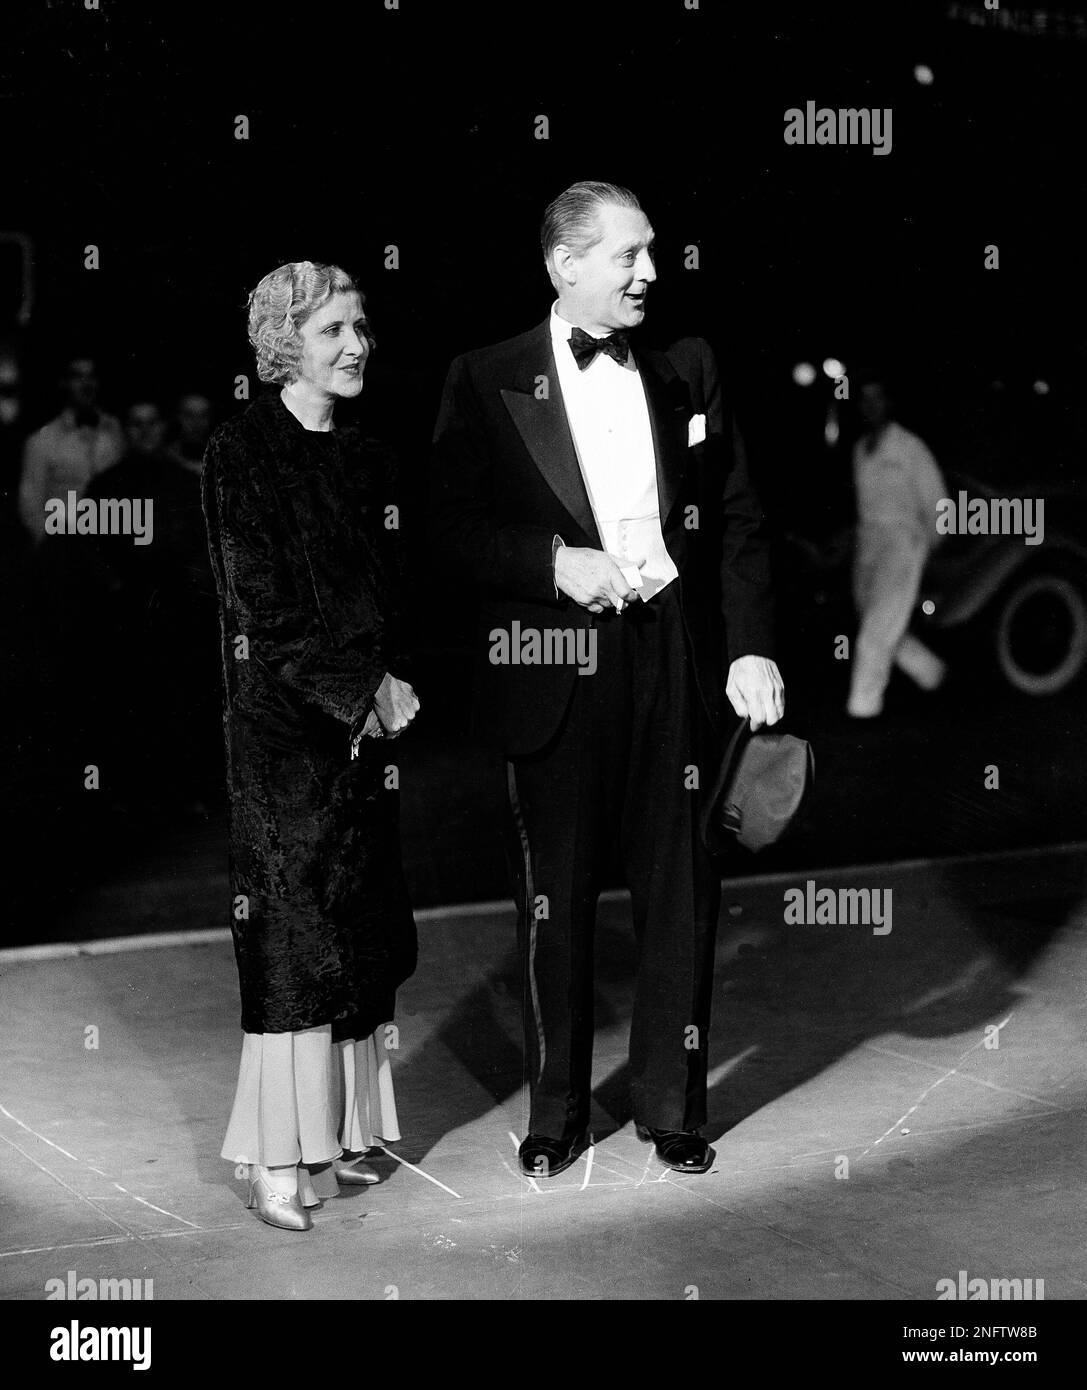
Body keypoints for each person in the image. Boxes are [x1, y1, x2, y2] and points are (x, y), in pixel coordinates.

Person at [430, 181, 784, 1178]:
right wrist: (551, 564)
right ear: (564, 264)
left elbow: (743, 515)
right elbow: (448, 535)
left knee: (682, 887)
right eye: (628, 254)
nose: (650, 273)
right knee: (557, 899)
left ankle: (672, 1106)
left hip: (671, 646)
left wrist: (751, 643)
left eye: (652, 251)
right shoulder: (484, 375)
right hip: (554, 656)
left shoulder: (688, 365)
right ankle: (556, 1113)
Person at [202, 261, 420, 1231]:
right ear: (286, 341)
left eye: (360, 326)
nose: (356, 345)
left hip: (359, 744)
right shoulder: (240, 452)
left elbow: (386, 595)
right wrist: (360, 687)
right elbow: (266, 613)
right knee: (292, 945)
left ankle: (334, 1140)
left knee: (359, 938)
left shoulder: (367, 454)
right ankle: (274, 1161)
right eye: (334, 329)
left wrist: (388, 683)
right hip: (283, 748)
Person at [847, 373, 947, 718]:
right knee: (879, 624)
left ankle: (863, 710)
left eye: (878, 397)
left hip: (903, 546)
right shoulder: (860, 450)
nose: (871, 405)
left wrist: (928, 550)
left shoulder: (909, 447)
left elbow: (938, 502)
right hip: (869, 547)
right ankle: (932, 673)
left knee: (876, 631)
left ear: (890, 403)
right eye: (865, 398)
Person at [17, 355, 124, 542]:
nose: (86, 384)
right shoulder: (41, 441)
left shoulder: (115, 432)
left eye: (91, 376)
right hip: (66, 549)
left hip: (111, 546)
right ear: (64, 383)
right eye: (77, 377)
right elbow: (30, 508)